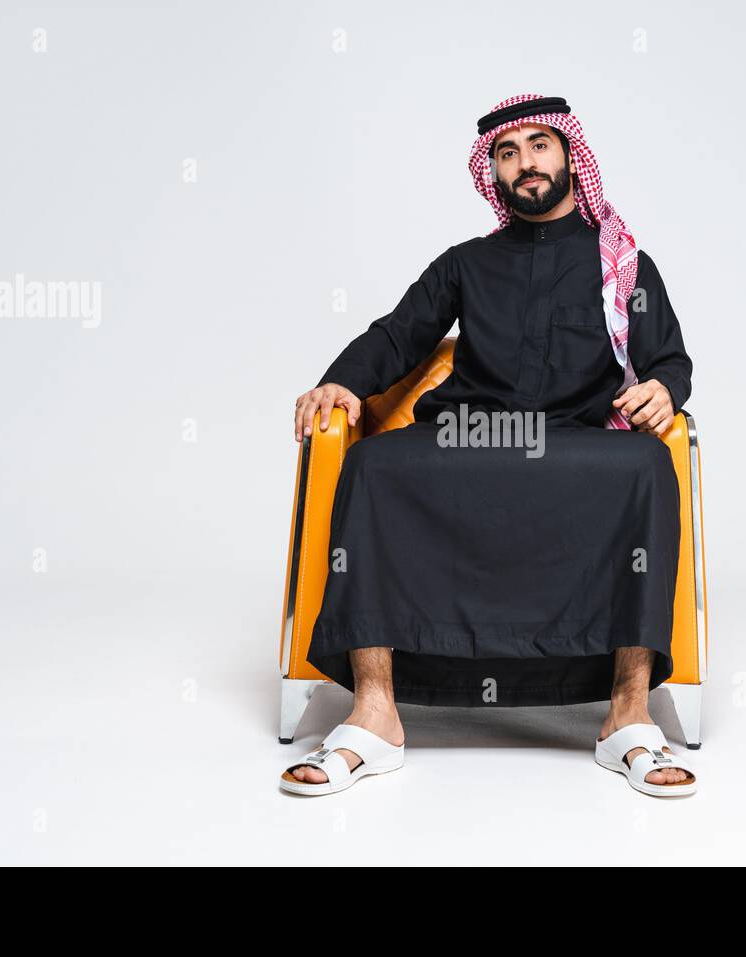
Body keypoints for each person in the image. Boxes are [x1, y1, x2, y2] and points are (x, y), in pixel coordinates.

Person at [281, 94, 697, 797]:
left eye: (539, 145)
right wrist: (340, 382)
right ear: (493, 174)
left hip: (570, 443)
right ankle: (376, 711)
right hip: (468, 435)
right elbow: (398, 334)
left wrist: (665, 388)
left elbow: (670, 360)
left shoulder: (621, 262)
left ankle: (627, 712)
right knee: (374, 463)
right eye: (508, 153)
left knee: (648, 464)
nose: (525, 163)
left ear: (570, 156)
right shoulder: (465, 263)